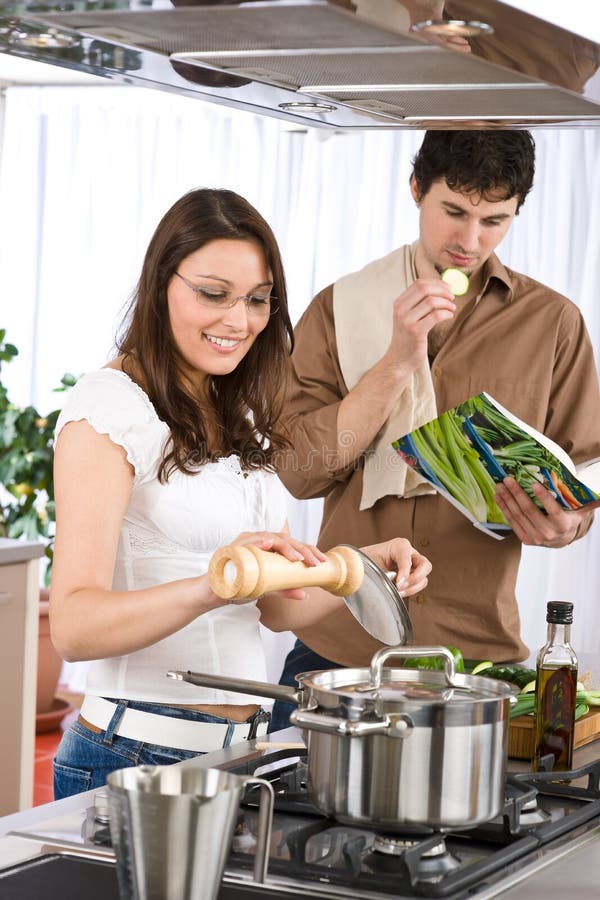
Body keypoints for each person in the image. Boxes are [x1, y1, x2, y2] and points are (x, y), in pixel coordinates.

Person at [49, 188, 431, 797]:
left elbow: (276, 608)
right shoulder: (109, 407)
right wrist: (213, 582)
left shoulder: (236, 413)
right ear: (159, 284)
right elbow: (72, 624)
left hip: (238, 757)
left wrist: (355, 568)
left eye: (257, 300)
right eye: (213, 294)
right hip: (132, 756)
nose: (239, 321)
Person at [272, 130, 600, 730]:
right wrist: (398, 359)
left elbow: (586, 474)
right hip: (338, 647)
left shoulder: (553, 323)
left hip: (476, 658)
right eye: (453, 211)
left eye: (494, 220)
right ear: (417, 189)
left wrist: (566, 523)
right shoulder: (340, 307)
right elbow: (297, 473)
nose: (469, 241)